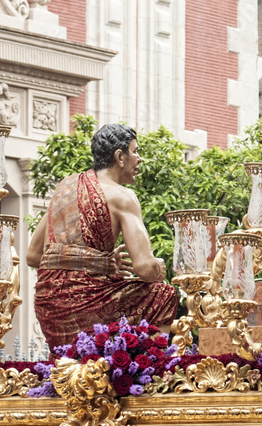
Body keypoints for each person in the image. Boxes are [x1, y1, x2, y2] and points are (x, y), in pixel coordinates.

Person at [28, 124, 178, 352]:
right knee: (164, 294)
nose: (139, 159)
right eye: (135, 151)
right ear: (120, 156)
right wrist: (159, 267)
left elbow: (33, 256)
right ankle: (150, 369)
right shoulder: (123, 196)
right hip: (87, 302)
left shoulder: (64, 189)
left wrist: (103, 262)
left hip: (49, 305)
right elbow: (145, 269)